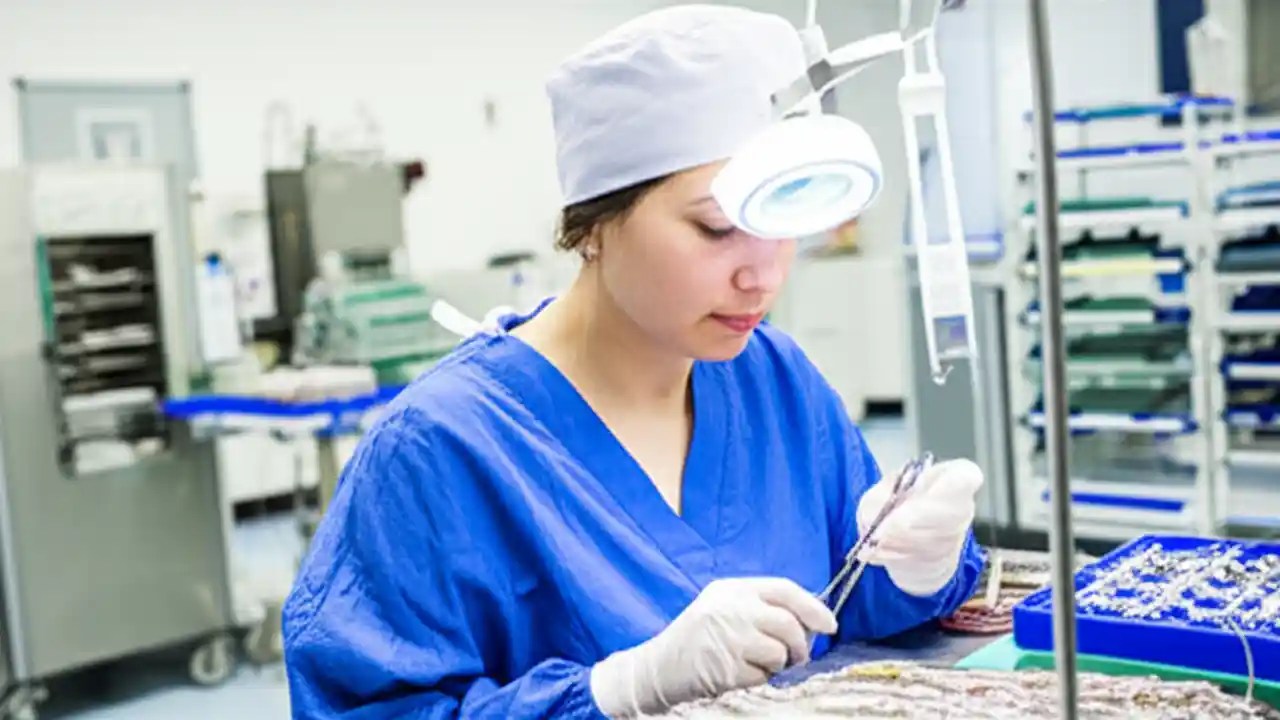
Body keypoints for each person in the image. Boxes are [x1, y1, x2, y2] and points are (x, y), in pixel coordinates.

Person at [282, 5, 986, 718]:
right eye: (716, 228)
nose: (763, 277)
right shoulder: (440, 450)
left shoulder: (772, 379)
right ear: (593, 225)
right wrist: (615, 691)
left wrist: (917, 568)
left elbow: (845, 605)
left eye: (781, 223)